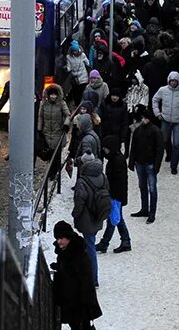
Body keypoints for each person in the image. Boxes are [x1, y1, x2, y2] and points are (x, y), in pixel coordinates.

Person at [52, 220, 102, 330]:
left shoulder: (78, 254)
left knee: (81, 326)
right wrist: (59, 267)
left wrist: (87, 303)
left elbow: (85, 279)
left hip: (79, 303)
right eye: (57, 238)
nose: (59, 241)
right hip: (72, 301)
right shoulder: (66, 251)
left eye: (61, 238)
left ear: (68, 237)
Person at [72, 151, 109, 287]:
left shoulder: (82, 181)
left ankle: (93, 279)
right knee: (89, 245)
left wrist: (75, 215)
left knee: (90, 247)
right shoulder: (103, 177)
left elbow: (79, 202)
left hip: (86, 219)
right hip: (98, 216)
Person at [151, 71, 179, 175]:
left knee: (177, 143)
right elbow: (155, 100)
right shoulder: (162, 90)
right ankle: (169, 154)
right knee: (165, 140)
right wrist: (157, 113)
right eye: (172, 81)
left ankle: (174, 166)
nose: (173, 83)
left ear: (178, 81)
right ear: (169, 81)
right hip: (165, 120)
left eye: (175, 81)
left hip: (178, 121)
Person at [95, 135, 131, 253]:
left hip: (115, 195)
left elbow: (118, 181)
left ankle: (105, 243)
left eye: (106, 148)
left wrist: (111, 195)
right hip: (116, 195)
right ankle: (125, 241)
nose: (104, 150)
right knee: (116, 218)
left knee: (113, 219)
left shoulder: (117, 161)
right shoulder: (116, 159)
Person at [128, 105, 163, 223]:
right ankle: (144, 209)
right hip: (140, 163)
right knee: (142, 186)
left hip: (150, 164)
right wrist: (132, 162)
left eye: (146, 118)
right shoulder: (138, 130)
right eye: (143, 118)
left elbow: (159, 149)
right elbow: (133, 147)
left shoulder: (156, 131)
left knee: (152, 188)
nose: (144, 120)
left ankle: (152, 213)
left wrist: (157, 165)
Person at [39, 84, 70, 176]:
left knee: (56, 154)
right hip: (47, 132)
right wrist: (39, 129)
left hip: (58, 132)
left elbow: (67, 115)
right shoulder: (44, 103)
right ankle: (51, 171)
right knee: (49, 153)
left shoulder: (61, 103)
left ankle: (54, 172)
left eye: (54, 95)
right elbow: (40, 116)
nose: (53, 96)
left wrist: (66, 124)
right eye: (51, 94)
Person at [65, 40, 91, 106]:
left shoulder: (82, 55)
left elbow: (87, 63)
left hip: (83, 77)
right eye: (74, 51)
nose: (75, 52)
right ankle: (77, 105)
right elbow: (69, 68)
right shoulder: (68, 57)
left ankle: (82, 106)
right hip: (75, 79)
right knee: (76, 93)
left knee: (82, 92)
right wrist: (67, 69)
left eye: (76, 50)